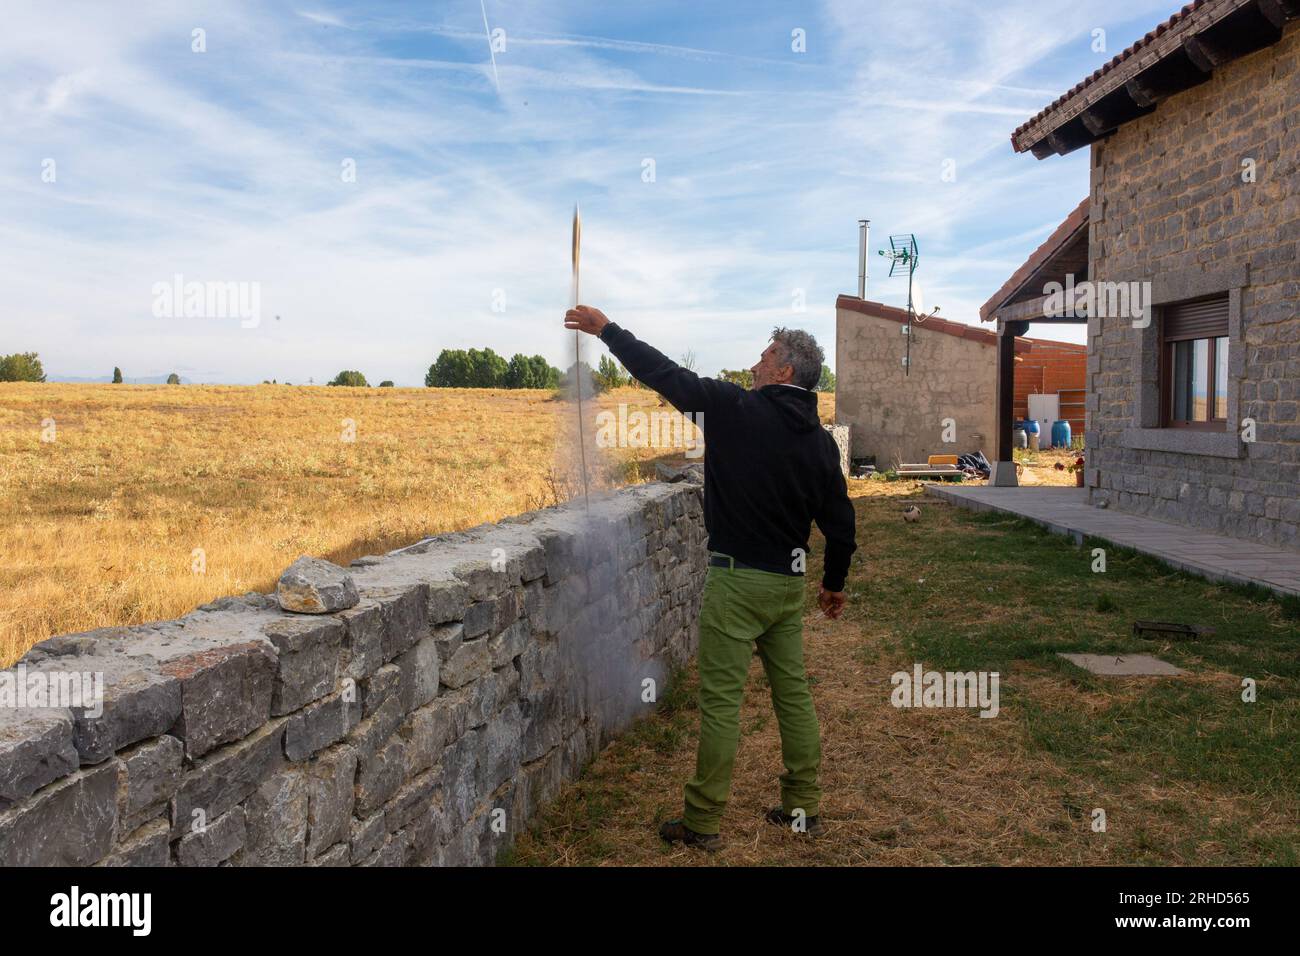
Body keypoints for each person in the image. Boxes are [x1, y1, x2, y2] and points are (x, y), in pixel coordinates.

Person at [564, 304, 858, 851]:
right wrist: (833, 584)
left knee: (722, 703)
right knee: (792, 694)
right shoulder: (819, 443)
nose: (755, 363)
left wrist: (609, 332)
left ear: (785, 371)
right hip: (786, 587)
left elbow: (667, 375)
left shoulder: (734, 409)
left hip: (736, 582)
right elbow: (841, 524)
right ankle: (803, 805)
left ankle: (701, 822)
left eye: (766, 356)